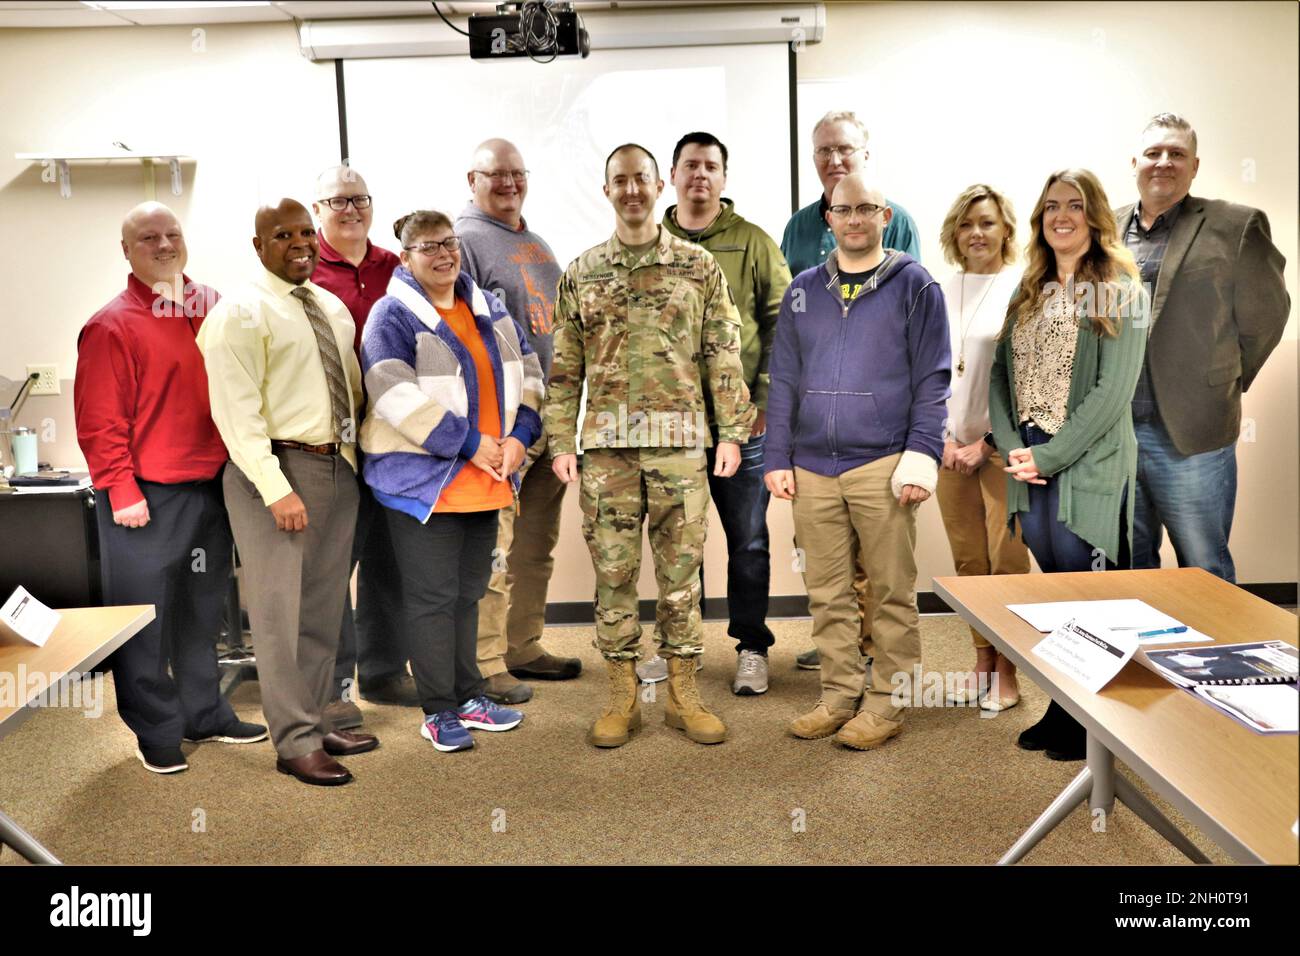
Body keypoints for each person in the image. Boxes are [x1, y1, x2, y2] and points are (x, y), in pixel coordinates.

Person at [545, 143, 755, 748]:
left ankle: (683, 695)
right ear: (606, 189)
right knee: (613, 574)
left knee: (681, 575)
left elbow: (722, 352)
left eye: (641, 179)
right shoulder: (582, 273)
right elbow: (565, 368)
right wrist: (561, 439)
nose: (632, 190)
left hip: (680, 446)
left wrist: (731, 432)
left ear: (659, 184)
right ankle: (622, 697)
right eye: (620, 181)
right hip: (606, 451)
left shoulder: (698, 267)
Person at [74, 202, 267, 775]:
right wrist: (120, 489)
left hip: (210, 490)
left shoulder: (214, 306)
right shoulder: (111, 325)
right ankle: (156, 731)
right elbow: (98, 420)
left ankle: (205, 713)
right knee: (145, 623)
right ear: (127, 250)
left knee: (202, 613)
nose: (163, 245)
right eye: (148, 237)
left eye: (172, 234)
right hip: (145, 499)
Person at [765, 172, 949, 750]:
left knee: (891, 590)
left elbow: (933, 380)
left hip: (883, 463)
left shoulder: (915, 286)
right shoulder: (803, 290)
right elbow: (785, 377)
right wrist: (777, 454)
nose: (854, 219)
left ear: (884, 215)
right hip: (813, 466)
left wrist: (921, 456)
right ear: (828, 218)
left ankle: (888, 702)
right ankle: (840, 694)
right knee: (827, 590)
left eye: (866, 209)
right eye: (843, 210)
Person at [199, 199, 378, 786]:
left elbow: (348, 392)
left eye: (306, 232)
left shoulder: (329, 306)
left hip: (335, 468)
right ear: (259, 245)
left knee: (323, 610)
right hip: (272, 474)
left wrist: (353, 467)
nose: (300, 243)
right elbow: (237, 417)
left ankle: (319, 715)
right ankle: (293, 741)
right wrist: (277, 489)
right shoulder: (238, 316)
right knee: (279, 615)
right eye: (283, 235)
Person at [361, 210, 543, 753]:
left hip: (488, 478)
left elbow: (530, 372)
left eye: (449, 243)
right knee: (432, 600)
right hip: (426, 483)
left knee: (466, 595)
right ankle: (438, 708)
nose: (443, 254)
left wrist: (522, 435)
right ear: (405, 257)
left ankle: (469, 694)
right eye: (427, 247)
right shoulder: (390, 315)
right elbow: (391, 394)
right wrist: (469, 443)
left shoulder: (488, 305)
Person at [989, 169, 1148, 762]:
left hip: (1088, 461)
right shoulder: (1026, 288)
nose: (1062, 216)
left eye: (1075, 206)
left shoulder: (1120, 289)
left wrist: (1050, 456)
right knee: (1057, 590)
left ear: (1095, 216)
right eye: (1051, 206)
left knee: (1090, 589)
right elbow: (1001, 375)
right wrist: (1012, 449)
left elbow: (1112, 393)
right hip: (1030, 459)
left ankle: (1093, 718)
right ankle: (1066, 706)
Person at [1115, 113, 1289, 582]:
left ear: (1195, 166)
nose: (1163, 162)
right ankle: (1141, 658)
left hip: (1192, 436)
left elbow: (1266, 316)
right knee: (1128, 568)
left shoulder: (1235, 225)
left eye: (1177, 153)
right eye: (1153, 153)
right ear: (1135, 162)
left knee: (1204, 569)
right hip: (1115, 436)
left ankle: (1214, 658)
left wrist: (1225, 380)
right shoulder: (1104, 228)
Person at [780, 110, 922, 669]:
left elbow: (912, 313)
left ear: (866, 153)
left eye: (845, 150)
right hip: (816, 416)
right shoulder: (797, 227)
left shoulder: (898, 219)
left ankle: (878, 656)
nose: (834, 161)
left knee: (881, 553)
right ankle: (844, 649)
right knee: (828, 552)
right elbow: (789, 316)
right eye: (823, 152)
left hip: (875, 416)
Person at [658, 130, 792, 696]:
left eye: (711, 166)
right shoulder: (649, 241)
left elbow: (786, 325)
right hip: (671, 426)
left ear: (724, 177)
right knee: (675, 542)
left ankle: (752, 646)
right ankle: (678, 649)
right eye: (690, 166)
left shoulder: (754, 242)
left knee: (749, 539)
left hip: (743, 424)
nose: (700, 176)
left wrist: (762, 403)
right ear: (672, 175)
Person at [457, 138, 581, 705]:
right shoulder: (463, 243)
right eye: (495, 174)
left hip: (550, 415)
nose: (508, 183)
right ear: (472, 180)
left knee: (536, 543)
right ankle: (486, 662)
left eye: (516, 173)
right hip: (505, 424)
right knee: (497, 549)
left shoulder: (534, 242)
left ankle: (523, 645)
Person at [310, 165, 413, 731]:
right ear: (318, 208)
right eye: (339, 201)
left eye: (360, 200)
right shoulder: (306, 271)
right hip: (333, 446)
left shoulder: (395, 267)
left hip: (394, 441)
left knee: (388, 563)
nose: (351, 210)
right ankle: (335, 684)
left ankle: (383, 672)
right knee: (333, 567)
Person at [934, 185, 1031, 712]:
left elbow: (1031, 379)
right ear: (955, 231)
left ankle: (1009, 669)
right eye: (968, 223)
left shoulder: (1023, 288)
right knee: (968, 562)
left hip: (1002, 450)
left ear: (1006, 231)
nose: (977, 233)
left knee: (1007, 560)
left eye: (988, 223)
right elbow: (926, 374)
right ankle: (982, 661)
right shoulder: (938, 290)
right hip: (948, 451)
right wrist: (942, 438)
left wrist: (986, 442)